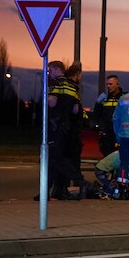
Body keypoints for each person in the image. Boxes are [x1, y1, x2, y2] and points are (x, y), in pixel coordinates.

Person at [45, 60, 81, 200]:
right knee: (62, 157)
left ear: (55, 69)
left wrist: (45, 97)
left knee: (53, 160)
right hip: (67, 128)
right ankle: (61, 189)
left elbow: (52, 103)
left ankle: (47, 192)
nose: (49, 73)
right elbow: (75, 109)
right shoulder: (72, 87)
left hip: (55, 126)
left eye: (50, 70)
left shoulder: (56, 83)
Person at [93, 75, 123, 155]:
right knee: (106, 155)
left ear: (117, 84)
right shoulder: (104, 98)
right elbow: (96, 114)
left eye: (110, 84)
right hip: (106, 133)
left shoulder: (123, 98)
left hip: (119, 132)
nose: (108, 86)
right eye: (107, 84)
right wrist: (97, 103)